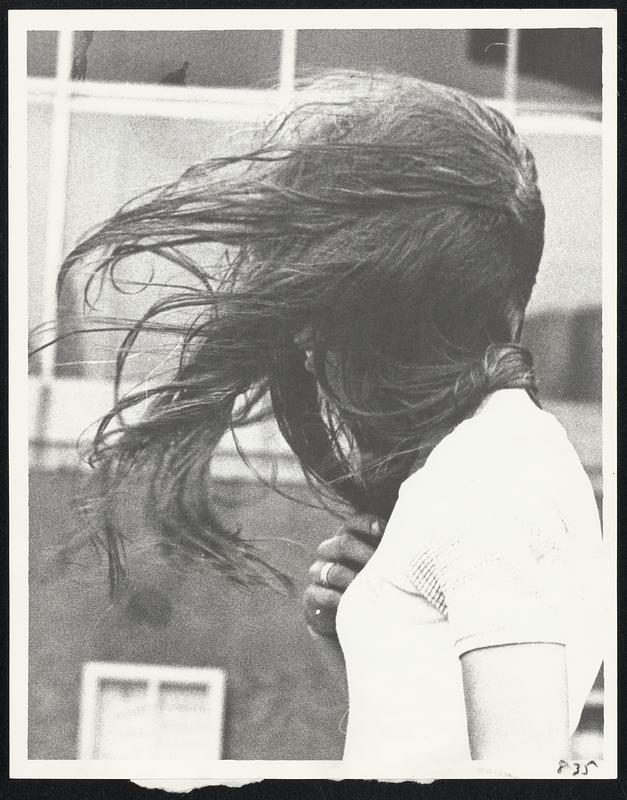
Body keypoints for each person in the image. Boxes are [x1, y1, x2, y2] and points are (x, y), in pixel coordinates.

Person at [52, 71, 606, 773]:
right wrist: (367, 631)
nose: (309, 358)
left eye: (325, 318)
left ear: (390, 314)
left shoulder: (486, 484)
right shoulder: (494, 461)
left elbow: (524, 771)